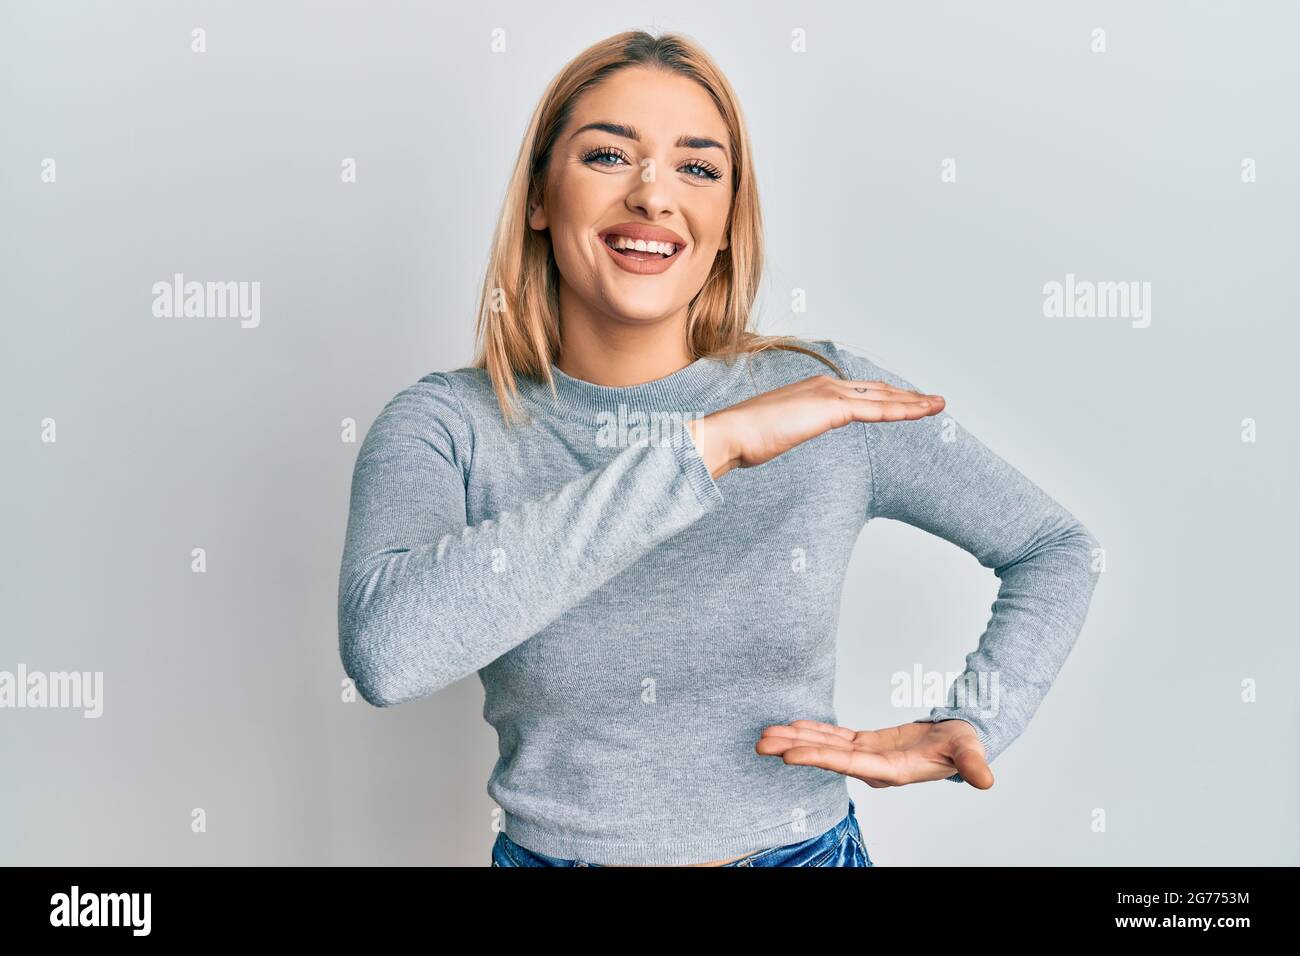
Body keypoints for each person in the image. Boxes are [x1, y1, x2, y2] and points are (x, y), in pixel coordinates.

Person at [337, 30, 1101, 867]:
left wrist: (976, 716)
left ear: (729, 222)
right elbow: (387, 655)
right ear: (538, 197)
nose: (654, 196)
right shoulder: (447, 425)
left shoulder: (824, 396)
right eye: (607, 156)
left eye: (697, 168)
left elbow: (1055, 547)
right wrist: (706, 449)